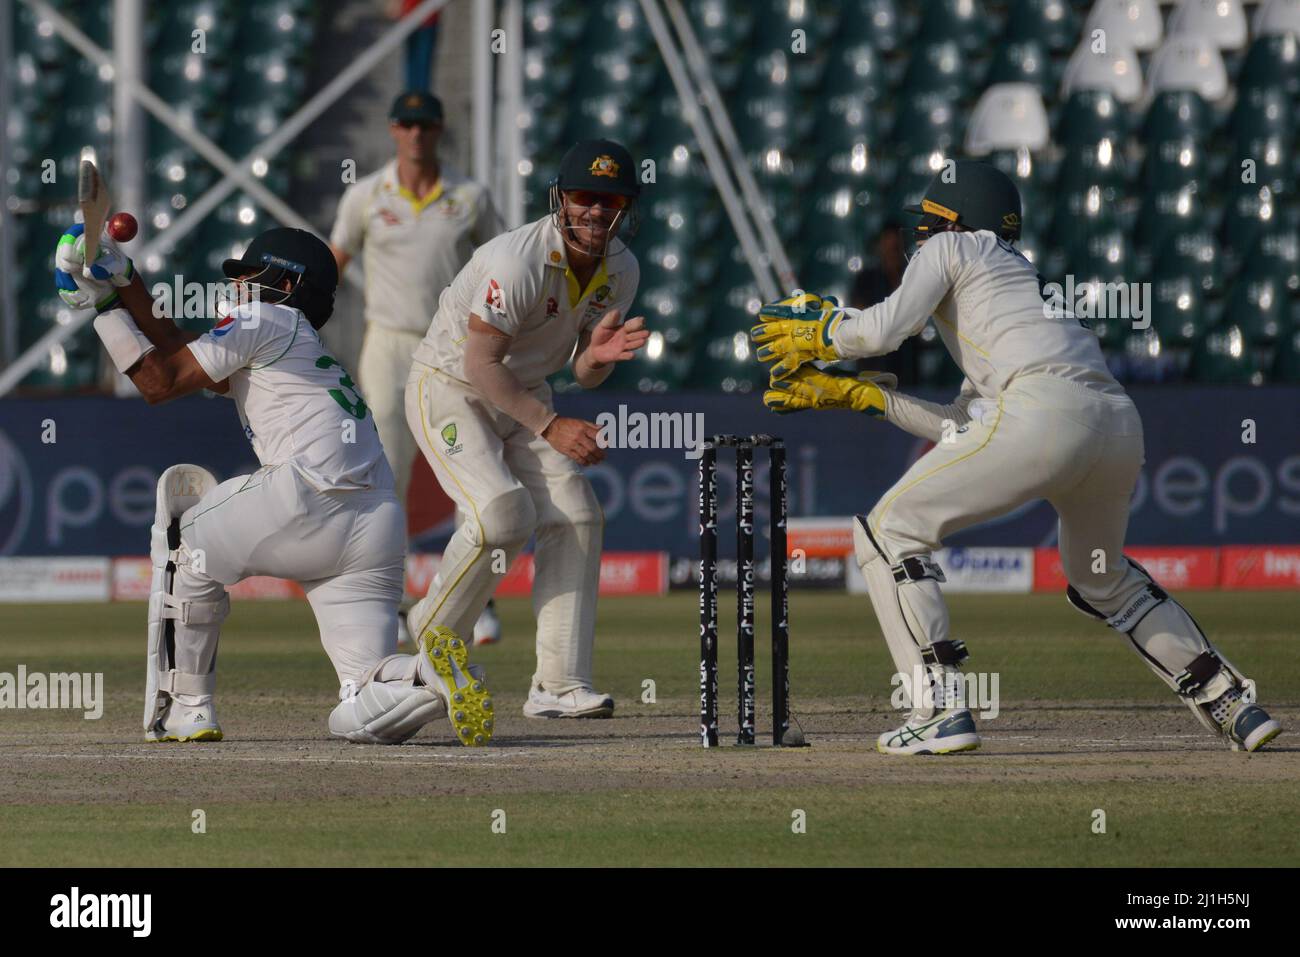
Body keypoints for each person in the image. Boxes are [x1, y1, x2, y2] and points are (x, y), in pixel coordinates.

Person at [751, 160, 1282, 755]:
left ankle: (939, 708)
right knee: (1101, 578)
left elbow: (879, 333)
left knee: (886, 533)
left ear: (956, 221)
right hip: (1115, 428)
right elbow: (964, 424)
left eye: (931, 222)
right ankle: (1232, 701)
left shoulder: (954, 249)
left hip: (1041, 415)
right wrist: (864, 396)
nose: (920, 237)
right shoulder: (1020, 288)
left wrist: (825, 332)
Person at [53, 222, 493, 746]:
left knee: (180, 537)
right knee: (356, 702)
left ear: (286, 285)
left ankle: (186, 707)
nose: (238, 285)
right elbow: (178, 349)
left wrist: (104, 310)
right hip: (375, 521)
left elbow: (159, 381)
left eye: (250, 274)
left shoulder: (264, 317)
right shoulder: (293, 341)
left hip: (306, 494)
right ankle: (424, 676)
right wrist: (125, 281)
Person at [403, 138, 648, 718]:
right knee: (501, 514)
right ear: (560, 199)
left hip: (527, 392)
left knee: (579, 517)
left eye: (610, 200)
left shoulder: (622, 269)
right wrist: (553, 425)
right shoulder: (515, 262)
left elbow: (582, 372)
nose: (596, 210)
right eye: (585, 196)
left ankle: (558, 685)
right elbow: (480, 365)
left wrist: (596, 358)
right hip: (450, 386)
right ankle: (432, 633)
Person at [330, 90, 506, 646]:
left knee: (468, 469)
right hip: (387, 342)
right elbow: (335, 263)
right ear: (392, 130)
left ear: (439, 130)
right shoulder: (365, 195)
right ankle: (390, 601)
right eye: (406, 125)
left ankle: (475, 604)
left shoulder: (470, 196)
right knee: (386, 474)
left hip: (452, 346)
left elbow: (501, 263)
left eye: (425, 126)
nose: (415, 135)